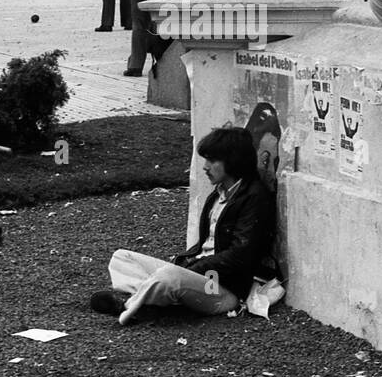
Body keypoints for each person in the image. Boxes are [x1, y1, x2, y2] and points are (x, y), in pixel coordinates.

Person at [89, 127, 276, 325]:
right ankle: (150, 299)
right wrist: (189, 265)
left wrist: (194, 268)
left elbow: (240, 256)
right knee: (121, 258)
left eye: (212, 160)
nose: (205, 167)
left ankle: (130, 305)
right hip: (201, 273)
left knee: (169, 276)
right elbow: (206, 244)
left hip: (222, 287)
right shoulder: (219, 193)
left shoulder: (254, 197)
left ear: (232, 161)